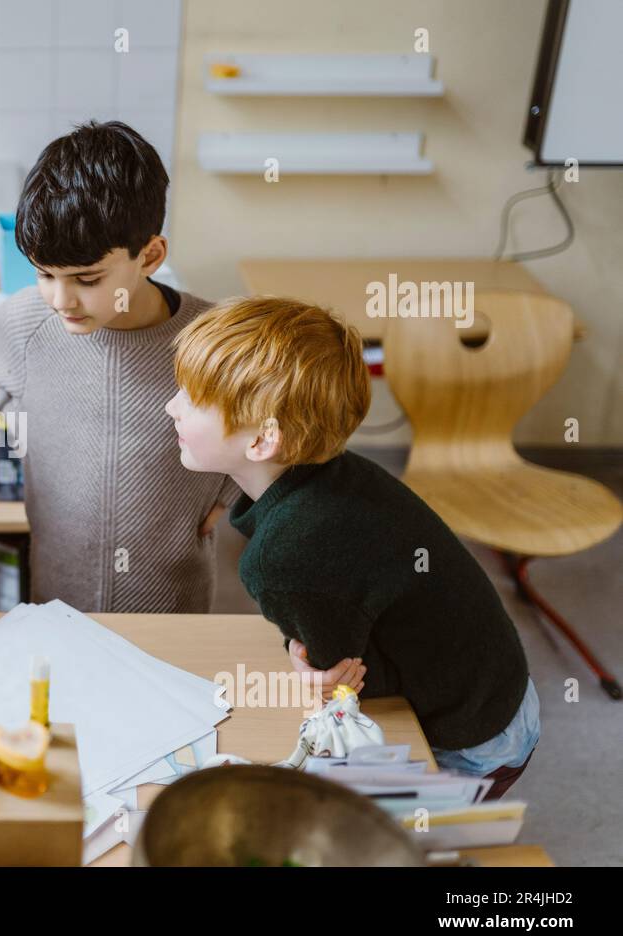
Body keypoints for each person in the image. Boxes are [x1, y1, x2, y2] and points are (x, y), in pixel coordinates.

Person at [166, 295, 538, 798]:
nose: (171, 405)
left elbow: (347, 684)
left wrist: (314, 666)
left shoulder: (282, 558)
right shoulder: (340, 472)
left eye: (190, 397)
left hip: (474, 737)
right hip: (503, 686)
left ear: (261, 443)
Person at [0, 121, 237, 613]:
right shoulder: (23, 325)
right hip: (56, 607)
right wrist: (28, 422)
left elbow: (275, 414)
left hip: (174, 609)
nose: (60, 298)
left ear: (150, 256)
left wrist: (233, 489)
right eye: (44, 274)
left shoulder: (214, 338)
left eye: (86, 278)